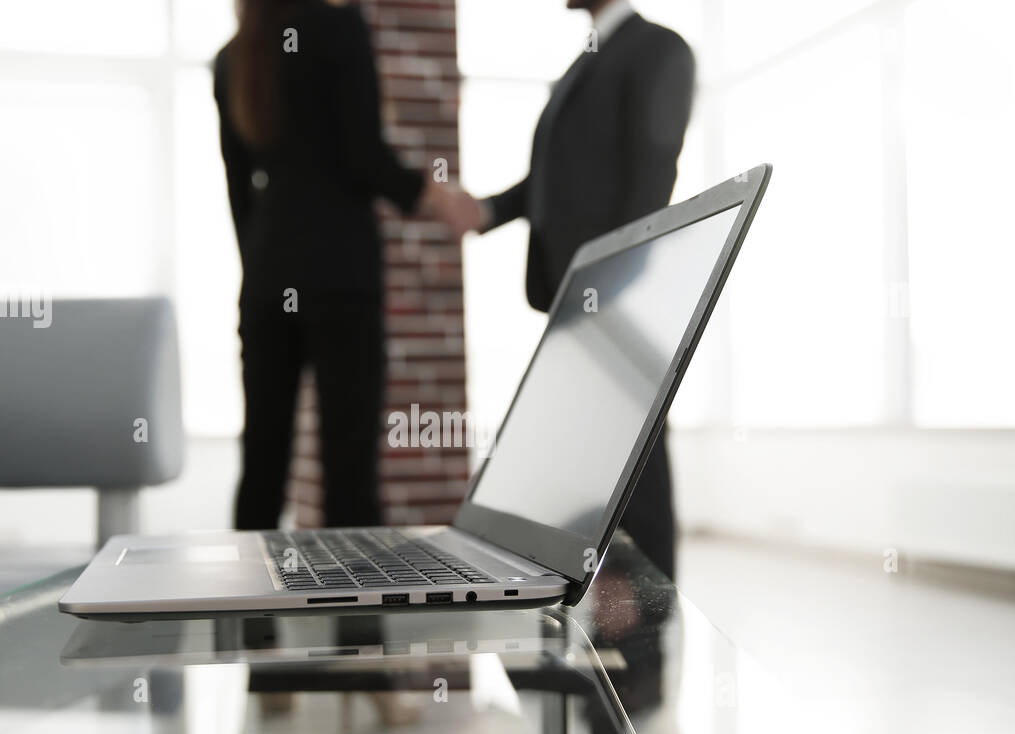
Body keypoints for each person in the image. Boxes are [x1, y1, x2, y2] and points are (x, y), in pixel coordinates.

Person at [456, 0, 695, 582]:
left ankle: (653, 626)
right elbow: (553, 175)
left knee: (634, 464)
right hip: (578, 295)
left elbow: (650, 180)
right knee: (600, 460)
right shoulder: (587, 59)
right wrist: (484, 210)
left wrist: (610, 290)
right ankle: (598, 615)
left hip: (609, 298)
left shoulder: (656, 48)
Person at [214, 0, 470, 533]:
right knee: (350, 475)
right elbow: (363, 154)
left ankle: (245, 618)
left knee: (261, 467)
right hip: (340, 278)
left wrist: (264, 271)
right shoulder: (339, 28)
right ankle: (357, 619)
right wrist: (431, 193)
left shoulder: (234, 56)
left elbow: (240, 193)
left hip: (267, 281)